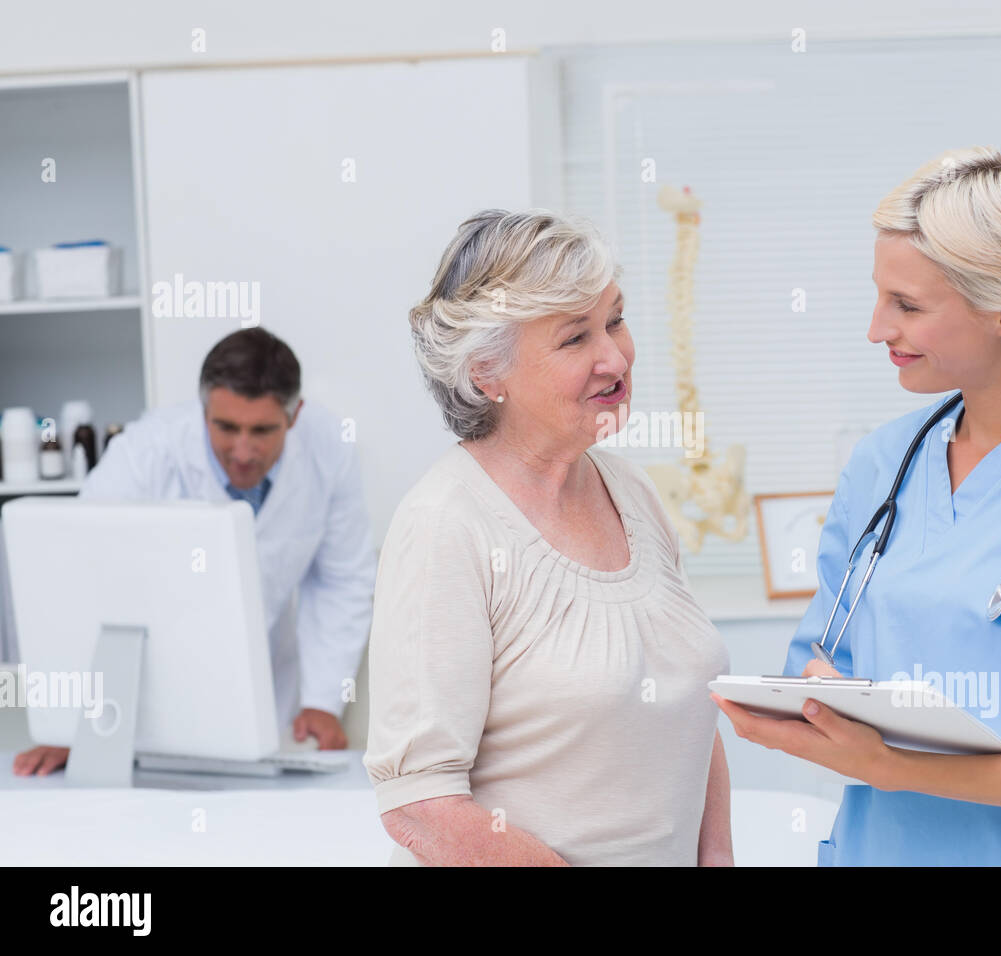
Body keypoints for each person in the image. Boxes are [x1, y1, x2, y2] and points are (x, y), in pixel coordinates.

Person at [713, 146, 1001, 866]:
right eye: (879, 297)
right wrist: (802, 704)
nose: (877, 329)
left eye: (907, 305)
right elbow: (822, 670)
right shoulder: (882, 466)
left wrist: (894, 766)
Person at [363, 209, 732, 866]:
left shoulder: (634, 493)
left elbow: (687, 726)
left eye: (615, 319)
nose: (614, 357)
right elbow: (422, 809)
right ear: (486, 373)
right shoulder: (446, 525)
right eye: (574, 339)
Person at [12, 327, 377, 776]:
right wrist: (73, 724)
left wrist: (322, 701)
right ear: (203, 410)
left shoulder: (330, 451)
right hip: (151, 695)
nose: (243, 451)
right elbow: (81, 576)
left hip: (270, 697)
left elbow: (341, 581)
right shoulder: (146, 451)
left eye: (262, 430)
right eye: (225, 427)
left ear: (294, 415)